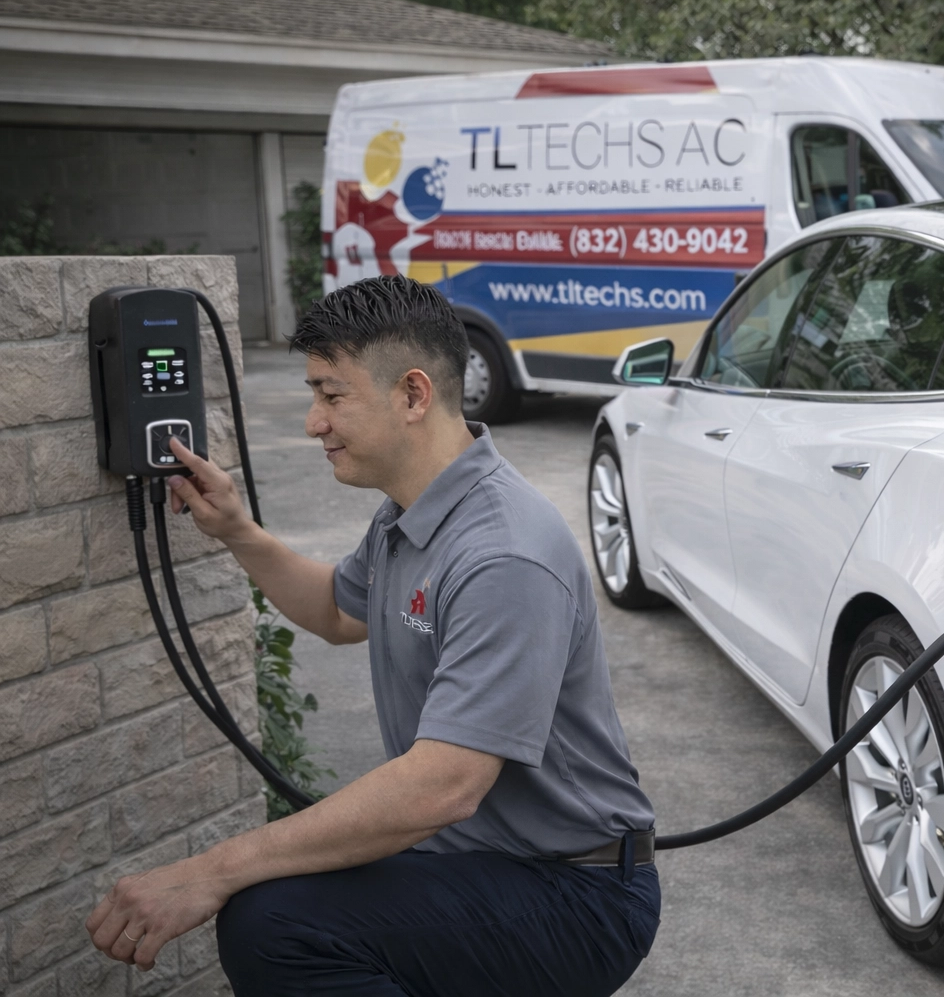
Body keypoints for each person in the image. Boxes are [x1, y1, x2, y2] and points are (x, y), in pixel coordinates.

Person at [84, 276, 660, 996]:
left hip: (578, 892)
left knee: (275, 921)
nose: (312, 422)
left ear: (413, 395)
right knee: (291, 891)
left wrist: (209, 870)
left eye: (332, 395)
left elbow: (441, 789)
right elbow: (336, 610)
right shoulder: (411, 511)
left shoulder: (503, 554)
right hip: (482, 860)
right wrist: (237, 531)